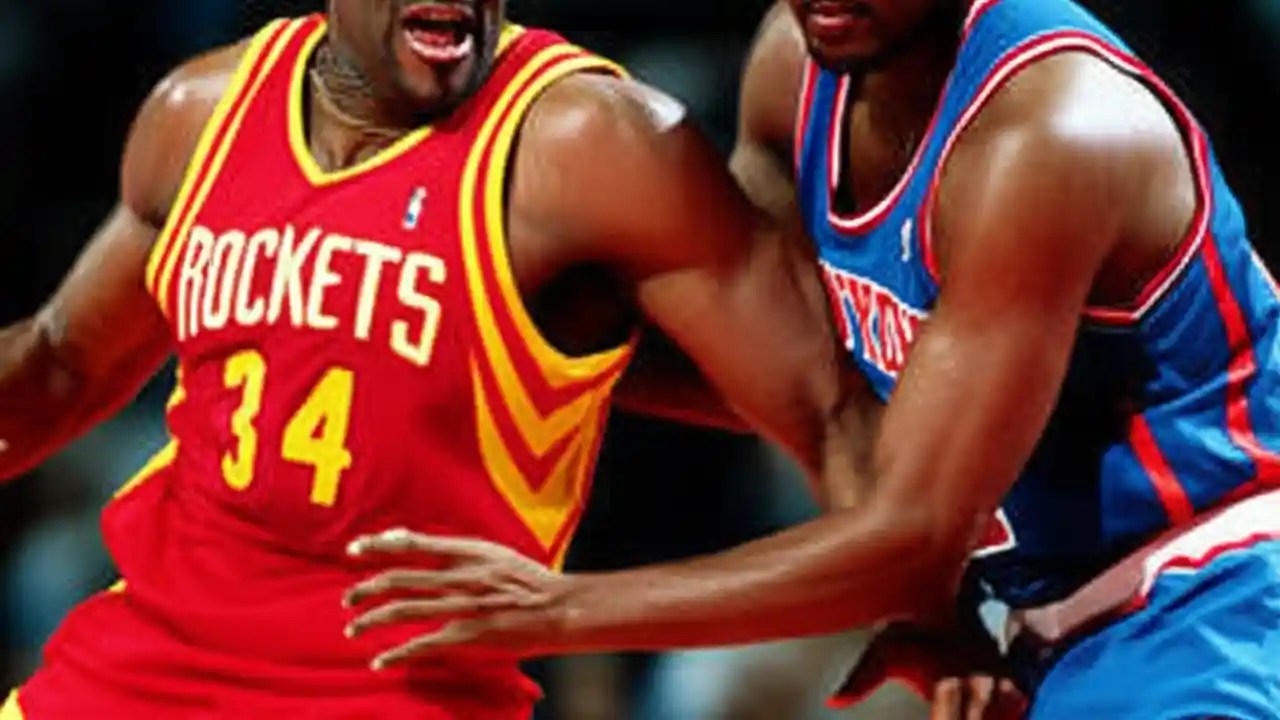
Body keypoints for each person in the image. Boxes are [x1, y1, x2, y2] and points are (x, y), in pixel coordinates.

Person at [0, 0, 997, 716]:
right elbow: (55, 367)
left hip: (396, 692)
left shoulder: (590, 144)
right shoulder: (200, 111)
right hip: (125, 675)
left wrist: (938, 609)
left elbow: (827, 414)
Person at [341, 1, 1280, 718]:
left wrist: (557, 610)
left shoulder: (1051, 130)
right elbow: (794, 380)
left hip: (1226, 591)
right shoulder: (797, 62)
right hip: (1054, 612)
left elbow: (911, 541)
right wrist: (513, 324)